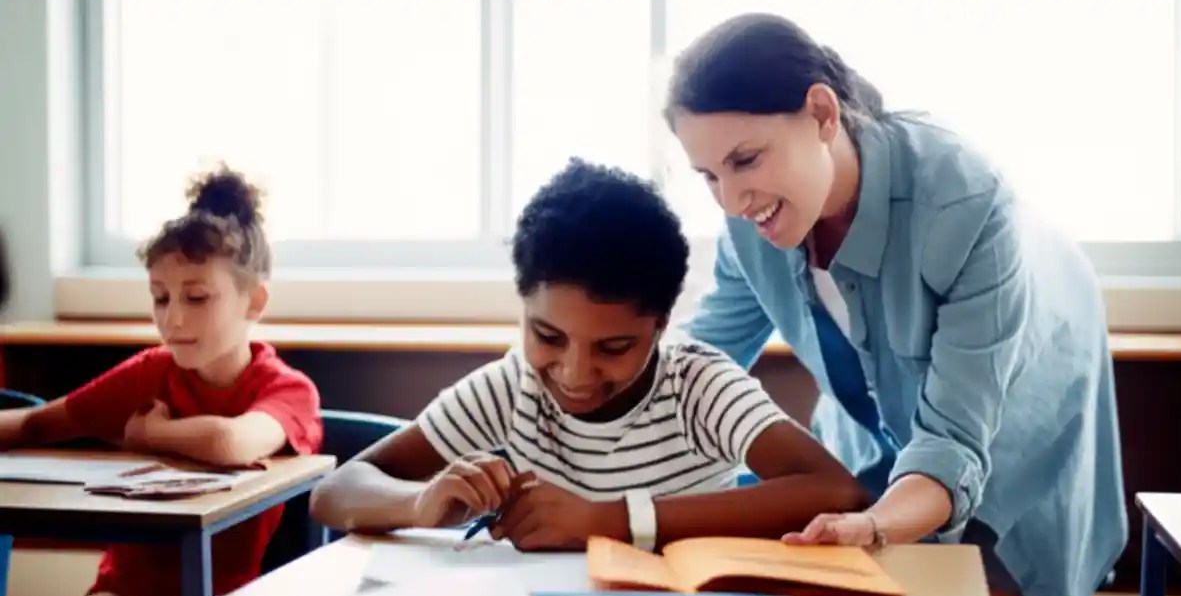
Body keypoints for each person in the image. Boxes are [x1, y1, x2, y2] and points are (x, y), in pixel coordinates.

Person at [665, 13, 1126, 596]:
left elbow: (950, 442)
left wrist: (875, 523)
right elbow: (693, 373)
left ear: (821, 112)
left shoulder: (966, 201)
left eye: (746, 160)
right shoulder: (751, 224)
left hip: (1027, 384)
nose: (731, 201)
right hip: (881, 399)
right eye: (708, 176)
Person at [309, 159, 866, 551]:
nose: (575, 373)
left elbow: (837, 490)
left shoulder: (697, 386)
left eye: (615, 347)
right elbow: (335, 491)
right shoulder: (513, 386)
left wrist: (608, 520)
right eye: (548, 336)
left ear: (660, 326)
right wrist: (419, 503)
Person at [0, 165, 323, 596]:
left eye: (196, 298)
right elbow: (38, 424)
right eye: (160, 297)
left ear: (255, 301)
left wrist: (153, 435)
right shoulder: (152, 372)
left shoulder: (287, 389)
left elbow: (230, 440)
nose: (172, 320)